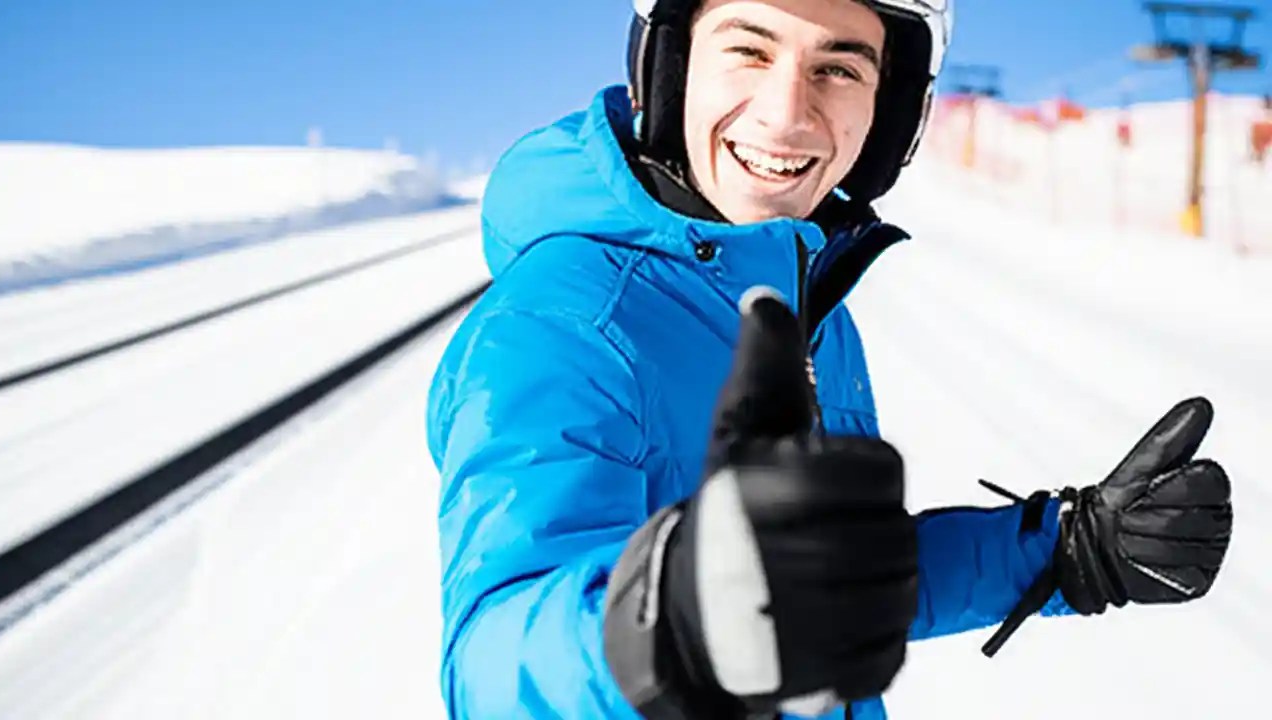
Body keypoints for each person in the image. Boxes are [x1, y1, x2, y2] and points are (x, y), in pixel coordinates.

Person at [425, 1, 1234, 718]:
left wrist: (1068, 550)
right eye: (749, 49)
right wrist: (673, 631)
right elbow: (492, 666)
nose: (787, 114)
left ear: (890, 109)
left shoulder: (802, 299)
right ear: (669, 67)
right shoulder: (565, 320)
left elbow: (823, 578)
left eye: (839, 68)